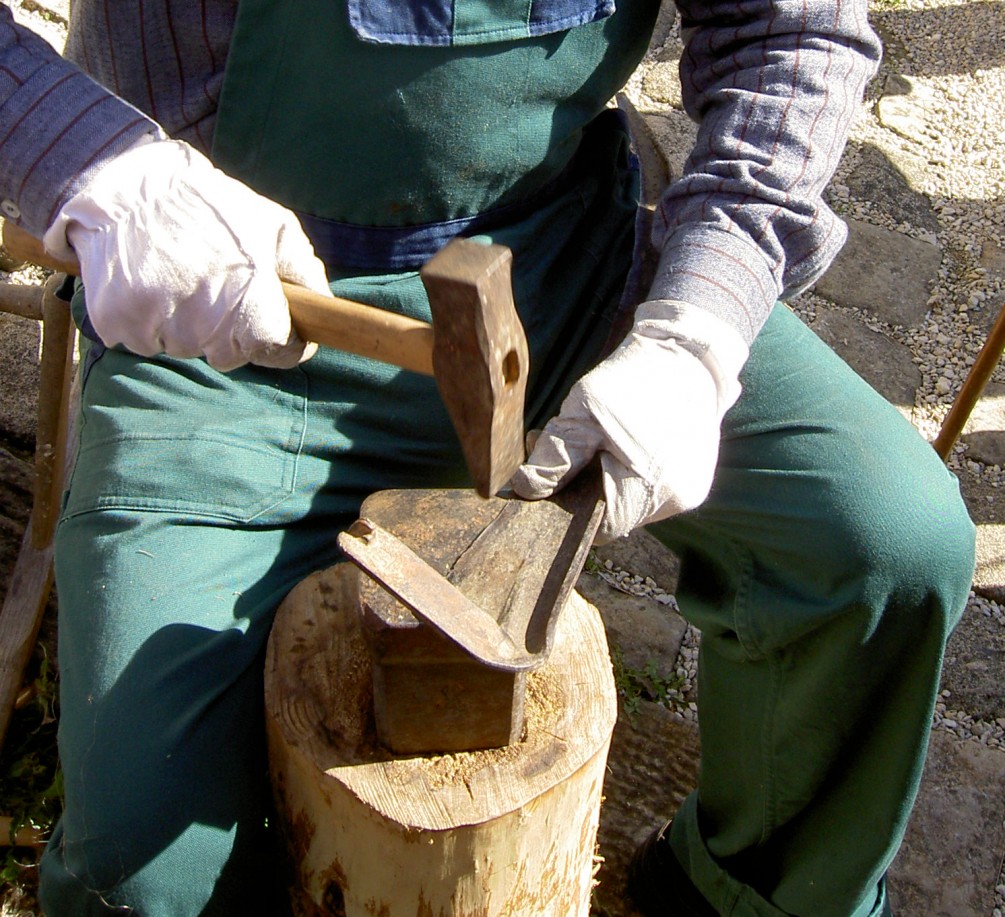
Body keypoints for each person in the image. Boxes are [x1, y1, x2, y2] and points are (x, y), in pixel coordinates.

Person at [0, 0, 976, 913]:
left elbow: (794, 35)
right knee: (145, 868)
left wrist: (700, 331)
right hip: (223, 323)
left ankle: (736, 892)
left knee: (886, 542)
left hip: (562, 264)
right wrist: (83, 157)